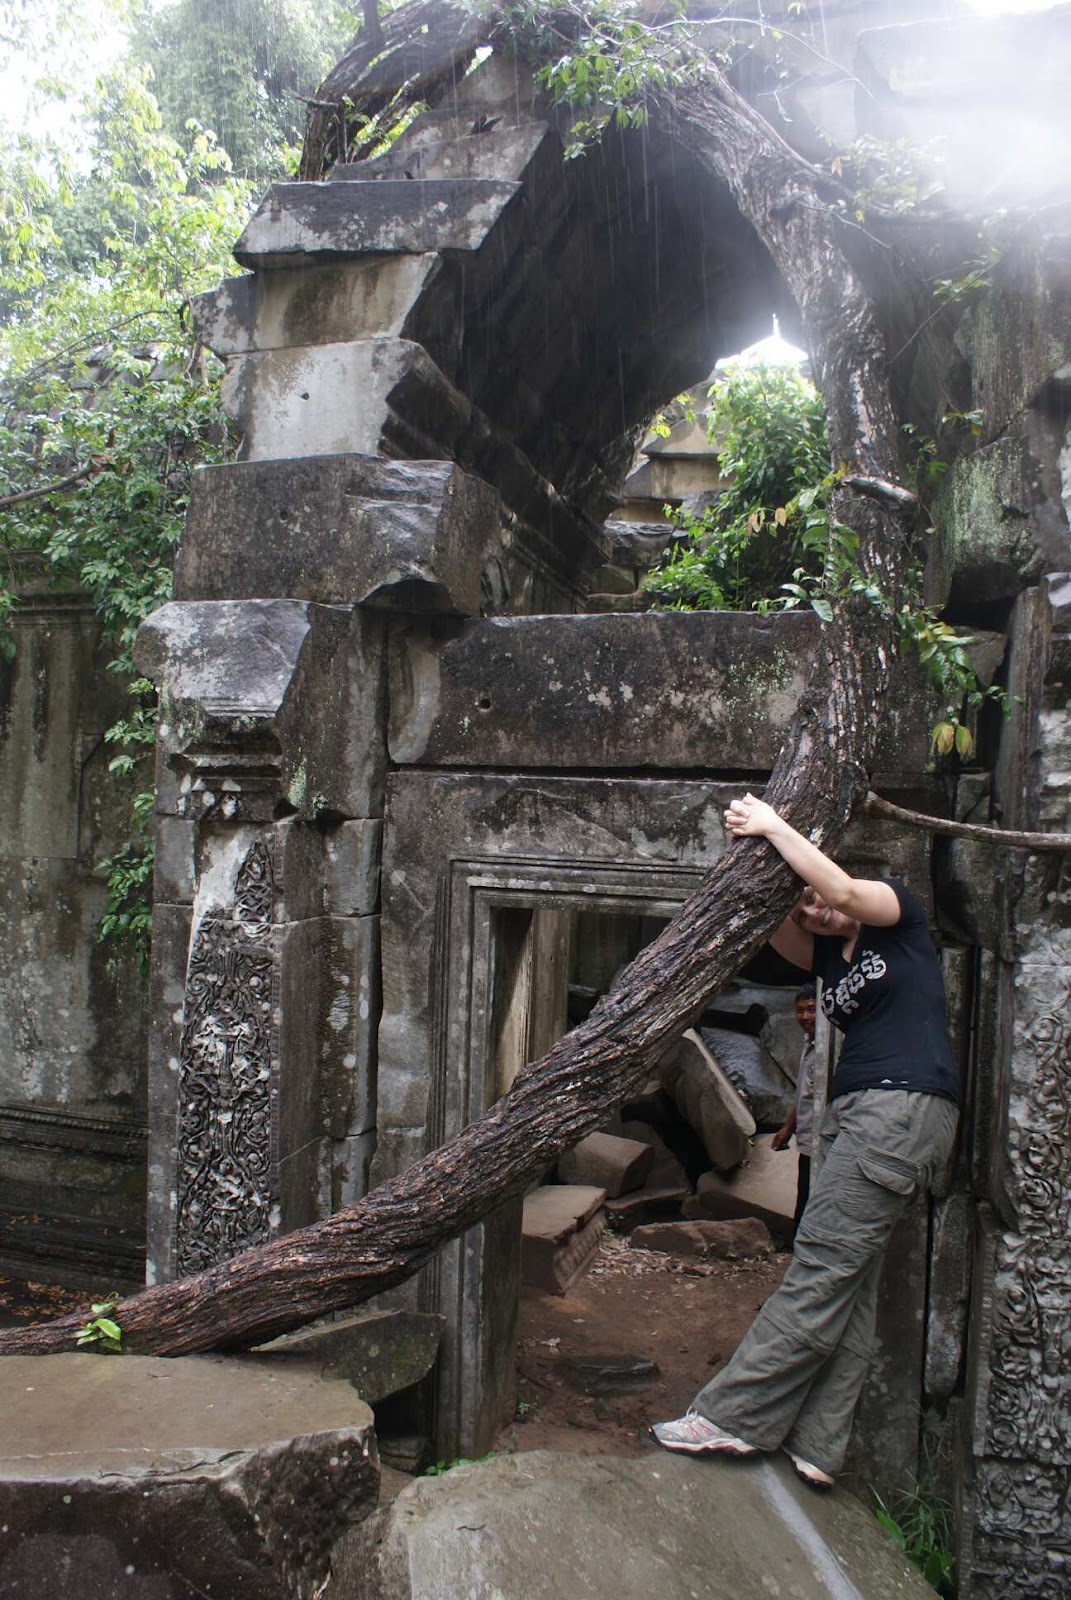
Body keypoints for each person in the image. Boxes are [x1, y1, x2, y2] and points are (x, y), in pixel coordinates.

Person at [651, 792, 959, 1490]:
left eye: (818, 905)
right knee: (848, 1280)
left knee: (817, 1265)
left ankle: (732, 1416)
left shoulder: (894, 914)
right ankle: (820, 1444)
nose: (816, 911)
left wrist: (770, 823)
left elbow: (841, 888)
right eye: (807, 909)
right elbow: (779, 923)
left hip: (898, 1107)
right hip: (864, 1114)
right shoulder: (825, 956)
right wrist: (754, 867)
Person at [771, 983, 816, 1238]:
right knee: (804, 1201)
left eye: (811, 1010)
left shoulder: (829, 1048)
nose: (805, 1017)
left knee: (811, 1207)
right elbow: (804, 1094)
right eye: (800, 1011)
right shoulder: (809, 1042)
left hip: (823, 1143)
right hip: (807, 1141)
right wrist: (787, 1129)